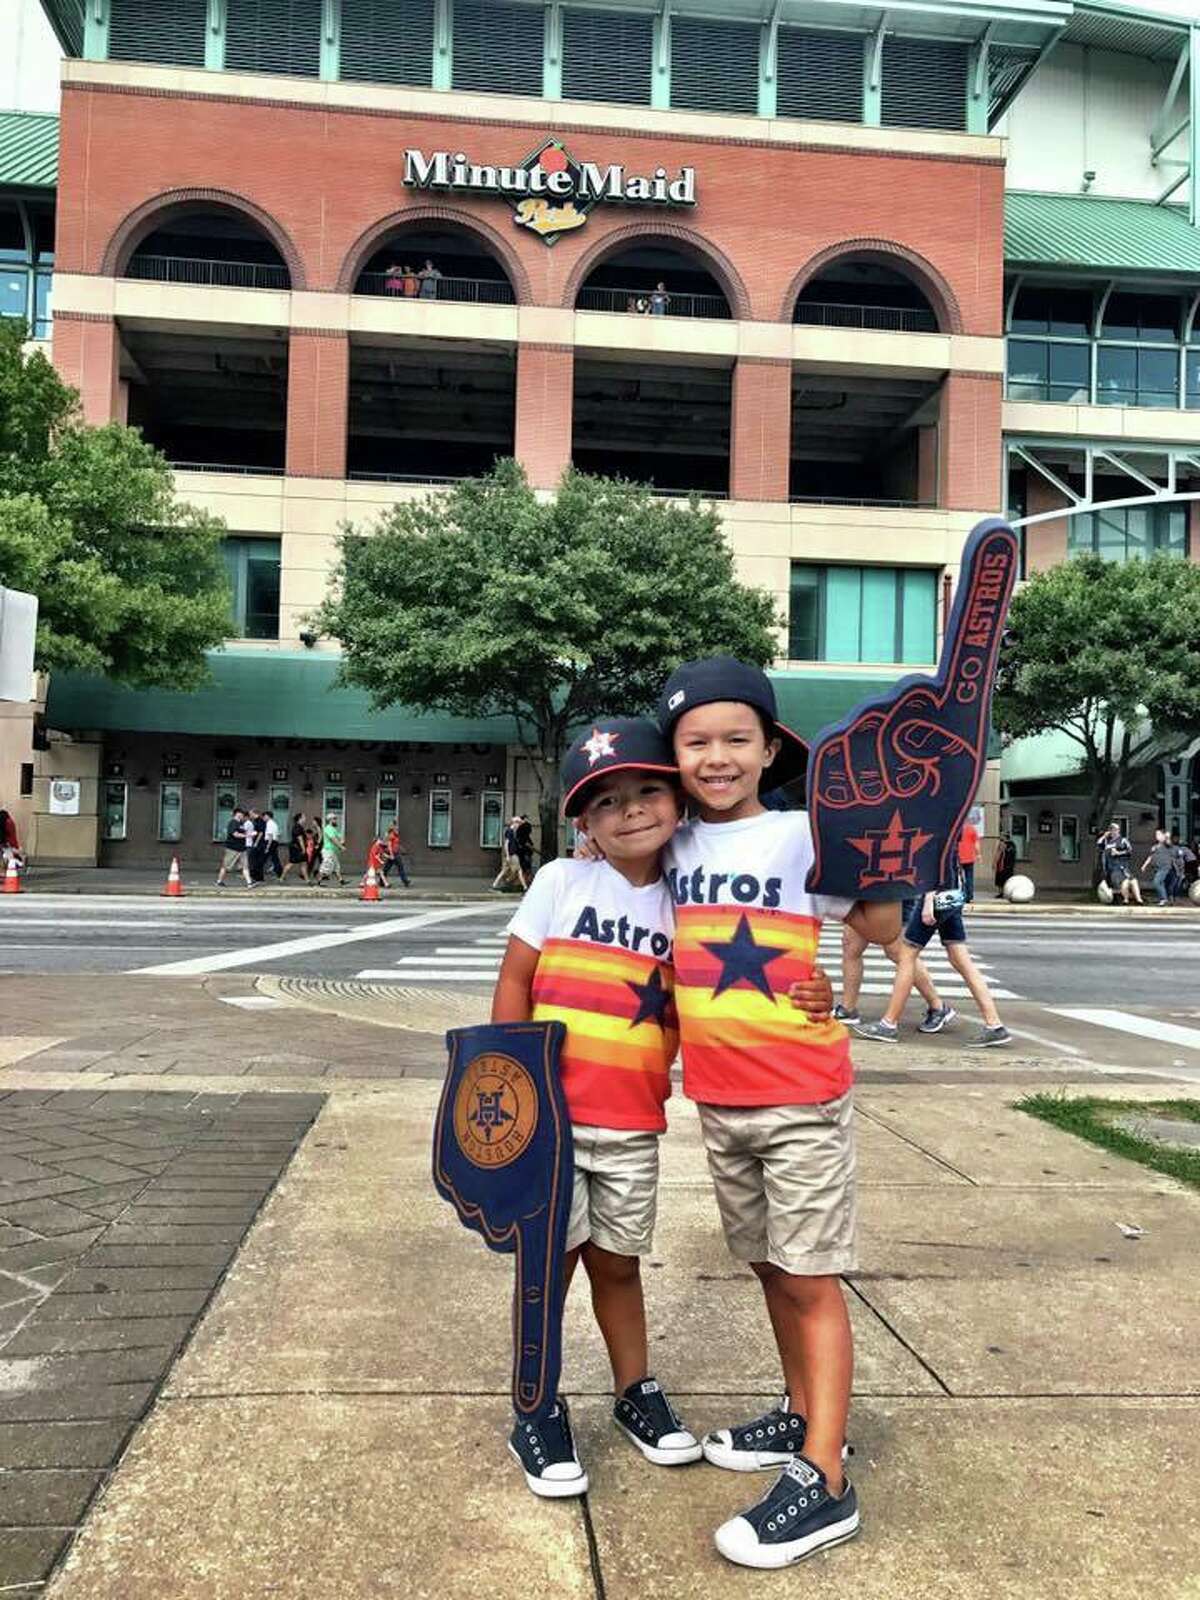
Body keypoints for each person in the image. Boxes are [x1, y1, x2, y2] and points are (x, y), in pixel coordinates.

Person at [493, 716, 833, 1500]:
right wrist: (510, 1083)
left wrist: (820, 992)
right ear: (583, 822)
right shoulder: (559, 881)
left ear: (678, 802)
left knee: (616, 1263)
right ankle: (534, 1407)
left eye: (649, 791)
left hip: (630, 1121)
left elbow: (748, 969)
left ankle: (633, 1390)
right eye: (606, 802)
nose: (632, 811)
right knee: (548, 1269)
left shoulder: (691, 894)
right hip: (550, 1119)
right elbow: (516, 979)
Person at [653, 657, 897, 1570]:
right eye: (696, 742)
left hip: (801, 1093)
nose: (716, 758)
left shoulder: (806, 834)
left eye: (735, 740)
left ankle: (825, 1478)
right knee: (766, 1265)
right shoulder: (671, 844)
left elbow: (876, 923)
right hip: (720, 1098)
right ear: (674, 755)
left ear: (767, 748)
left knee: (811, 1275)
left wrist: (888, 862)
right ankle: (804, 1415)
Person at [855, 886, 1010, 1047]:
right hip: (952, 895)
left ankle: (888, 1024)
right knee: (960, 959)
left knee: (906, 956)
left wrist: (929, 900)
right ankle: (994, 1024)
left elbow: (933, 864)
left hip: (936, 896)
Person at [832, 918, 952, 1033]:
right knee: (850, 945)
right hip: (862, 899)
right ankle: (847, 1009)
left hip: (888, 899)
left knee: (897, 951)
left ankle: (937, 1006)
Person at [1098, 821, 1141, 905]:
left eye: (1116, 830)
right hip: (1112, 868)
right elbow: (1099, 844)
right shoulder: (1107, 842)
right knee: (1126, 882)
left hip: (1122, 866)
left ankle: (1136, 899)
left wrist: (1118, 853)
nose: (1114, 831)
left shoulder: (1122, 840)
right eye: (1112, 830)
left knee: (1131, 881)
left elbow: (1130, 851)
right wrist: (1104, 836)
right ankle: (1126, 899)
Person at [215, 807, 252, 888]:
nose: (243, 816)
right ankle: (219, 881)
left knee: (245, 866)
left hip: (242, 848)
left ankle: (249, 883)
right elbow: (235, 834)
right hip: (233, 848)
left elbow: (242, 832)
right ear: (238, 814)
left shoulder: (241, 824)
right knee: (226, 866)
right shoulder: (233, 823)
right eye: (242, 814)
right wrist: (247, 835)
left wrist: (248, 833)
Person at [1143, 829, 1176, 907]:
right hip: (1157, 868)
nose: (1157, 836)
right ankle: (1165, 899)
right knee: (1161, 883)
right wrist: (1144, 865)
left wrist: (1167, 837)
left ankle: (1164, 899)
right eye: (1156, 835)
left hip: (1165, 867)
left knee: (1157, 882)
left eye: (1159, 834)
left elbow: (1169, 842)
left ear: (1163, 835)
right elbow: (1150, 857)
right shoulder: (1155, 846)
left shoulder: (1166, 844)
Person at [492, 816, 525, 892]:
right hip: (512, 855)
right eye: (518, 823)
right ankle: (524, 887)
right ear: (515, 823)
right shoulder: (510, 831)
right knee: (519, 870)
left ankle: (494, 885)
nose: (519, 825)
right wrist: (507, 855)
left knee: (504, 871)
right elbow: (506, 844)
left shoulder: (512, 831)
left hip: (510, 855)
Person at [281, 811, 309, 882]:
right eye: (304, 817)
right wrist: (303, 849)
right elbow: (300, 839)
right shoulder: (297, 827)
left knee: (303, 863)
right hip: (297, 849)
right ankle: (281, 878)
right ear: (300, 818)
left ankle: (307, 880)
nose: (305, 818)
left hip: (297, 848)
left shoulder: (299, 827)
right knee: (291, 863)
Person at [382, 821, 411, 887]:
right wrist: (391, 854)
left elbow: (396, 844)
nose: (397, 829)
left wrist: (401, 849)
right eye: (396, 827)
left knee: (387, 868)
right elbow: (389, 845)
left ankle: (381, 881)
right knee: (400, 867)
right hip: (394, 854)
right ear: (393, 828)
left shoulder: (395, 835)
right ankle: (405, 881)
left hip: (395, 853)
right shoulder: (391, 835)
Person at [957, 817, 979, 902]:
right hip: (970, 858)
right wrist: (978, 854)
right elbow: (976, 843)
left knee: (959, 878)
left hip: (958, 857)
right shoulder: (972, 829)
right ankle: (969, 896)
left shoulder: (957, 829)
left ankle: (961, 894)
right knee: (969, 877)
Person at [318, 814, 344, 884]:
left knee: (336, 866)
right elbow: (333, 839)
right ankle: (319, 881)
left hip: (333, 850)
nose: (336, 820)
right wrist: (340, 846)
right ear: (330, 820)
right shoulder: (328, 828)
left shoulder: (333, 829)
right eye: (334, 819)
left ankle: (341, 880)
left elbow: (339, 837)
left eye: (335, 818)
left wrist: (341, 841)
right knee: (326, 865)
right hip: (328, 850)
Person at [993, 830, 1016, 898]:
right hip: (1005, 864)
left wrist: (995, 862)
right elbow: (998, 853)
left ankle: (1004, 892)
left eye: (1001, 835)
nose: (1000, 837)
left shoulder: (1007, 844)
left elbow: (1001, 853)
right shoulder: (1005, 844)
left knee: (1004, 879)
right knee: (1002, 878)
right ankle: (1002, 892)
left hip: (1005, 864)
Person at [514, 814, 535, 888]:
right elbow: (525, 839)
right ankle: (526, 882)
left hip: (522, 851)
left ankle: (524, 882)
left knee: (524, 867)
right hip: (525, 851)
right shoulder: (524, 828)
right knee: (526, 867)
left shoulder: (519, 829)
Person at [262, 809, 282, 879]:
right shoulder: (274, 823)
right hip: (274, 842)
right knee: (275, 859)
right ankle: (280, 874)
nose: (263, 818)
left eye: (264, 816)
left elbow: (270, 835)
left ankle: (257, 875)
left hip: (270, 842)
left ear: (268, 816)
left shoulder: (269, 824)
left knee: (263, 859)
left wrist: (267, 847)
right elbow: (278, 834)